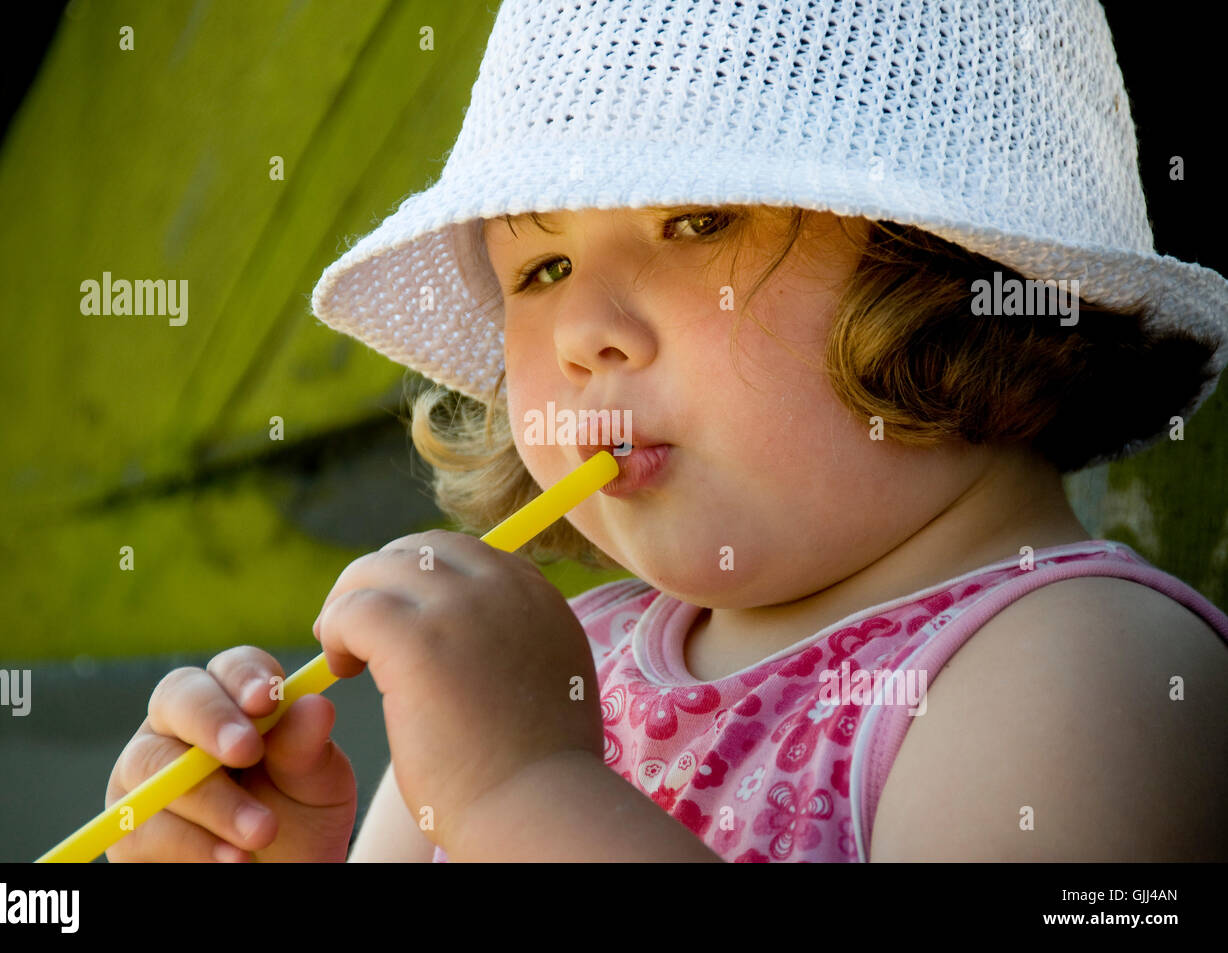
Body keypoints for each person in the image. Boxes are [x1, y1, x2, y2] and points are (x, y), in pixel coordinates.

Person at [105, 0, 1228, 862]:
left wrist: (522, 794)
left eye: (696, 220)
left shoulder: (1089, 663)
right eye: (539, 269)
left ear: (957, 267)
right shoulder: (538, 674)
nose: (581, 329)